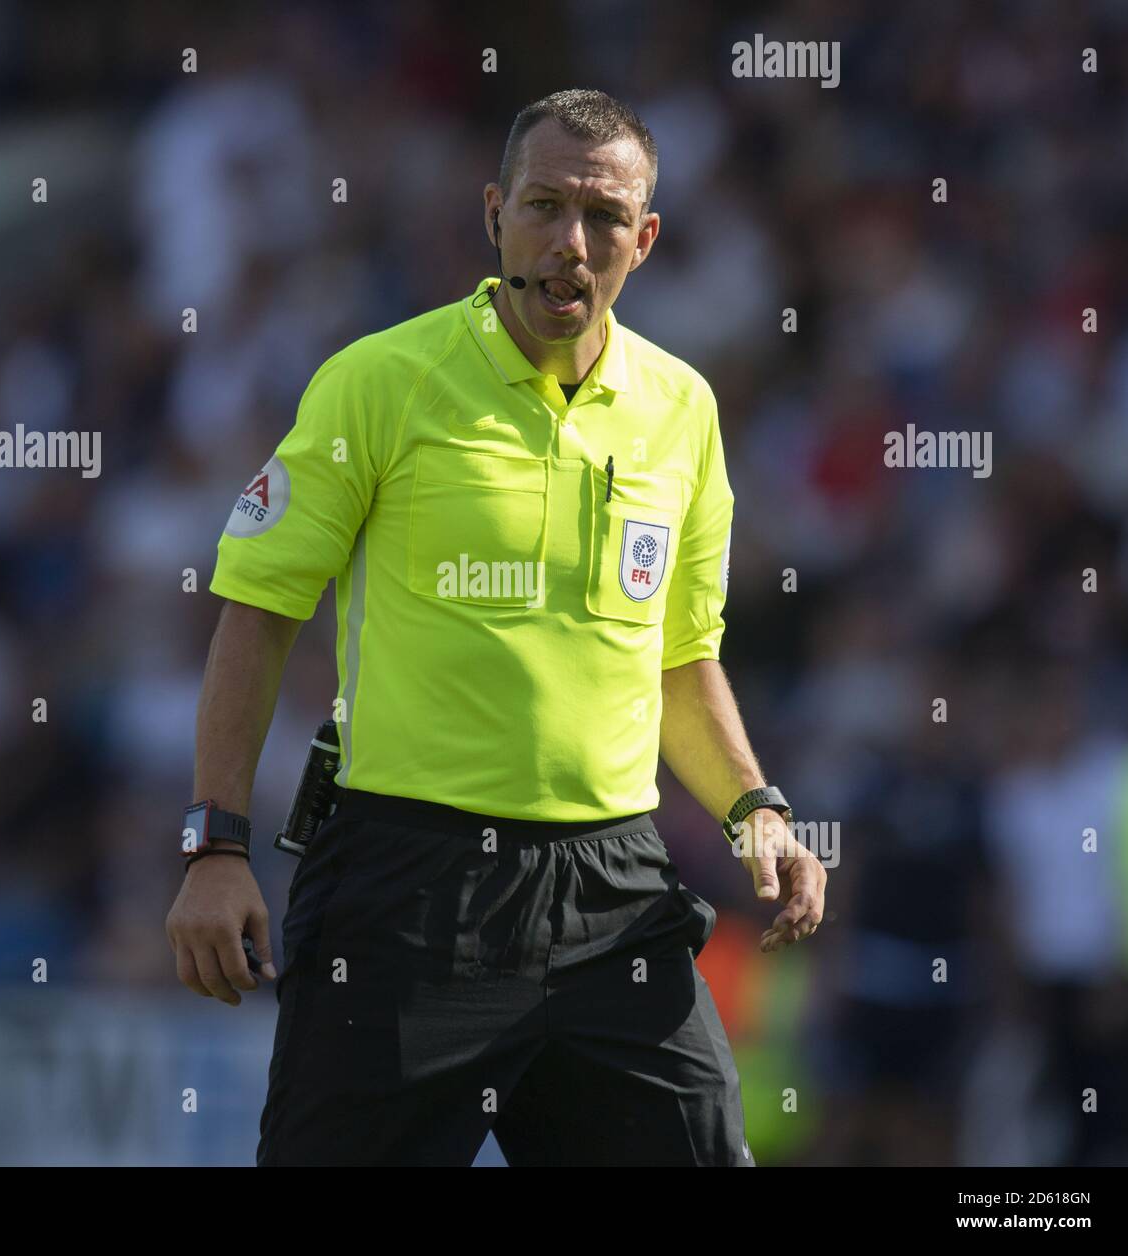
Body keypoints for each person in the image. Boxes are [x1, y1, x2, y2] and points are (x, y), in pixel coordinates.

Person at [165, 87, 827, 1167]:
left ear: (645, 238)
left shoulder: (682, 409)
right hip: (408, 891)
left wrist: (756, 807)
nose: (570, 242)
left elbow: (680, 660)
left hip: (615, 890)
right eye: (543, 206)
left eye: (605, 216)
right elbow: (258, 614)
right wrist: (214, 847)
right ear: (493, 214)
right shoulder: (379, 382)